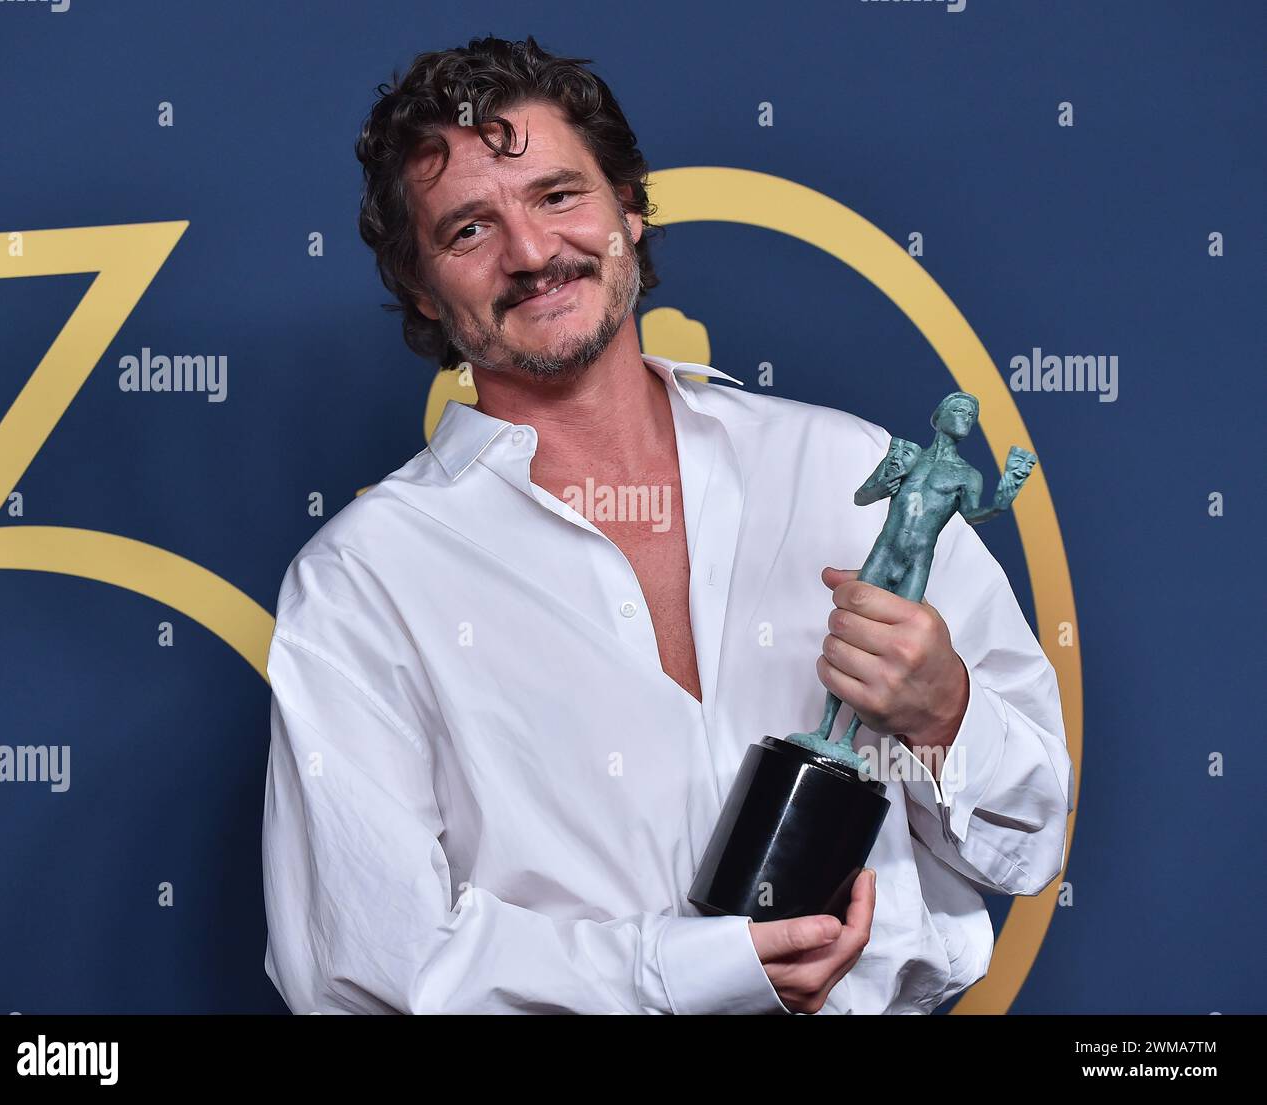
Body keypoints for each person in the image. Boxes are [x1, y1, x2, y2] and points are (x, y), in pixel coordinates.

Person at [261, 35, 1074, 1015]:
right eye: (470, 229)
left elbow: (1027, 840)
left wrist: (944, 715)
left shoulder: (842, 470)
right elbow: (361, 968)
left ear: (628, 209)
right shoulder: (364, 579)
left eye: (559, 196)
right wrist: (697, 972)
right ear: (423, 287)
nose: (531, 253)